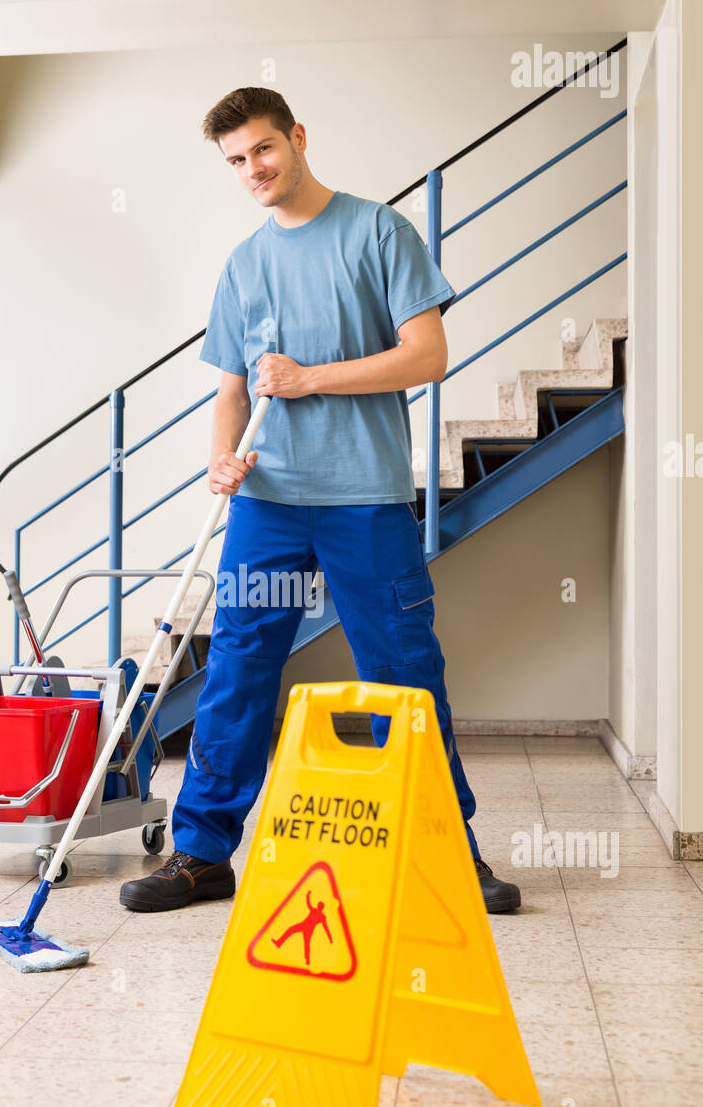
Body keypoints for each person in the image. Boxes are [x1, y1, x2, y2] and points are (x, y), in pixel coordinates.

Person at [120, 86, 521, 916]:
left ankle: (448, 853)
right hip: (267, 503)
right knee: (236, 669)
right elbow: (231, 390)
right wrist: (220, 463)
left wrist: (309, 380)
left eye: (262, 149)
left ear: (297, 137)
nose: (252, 170)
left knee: (402, 675)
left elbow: (427, 355)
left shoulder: (377, 232)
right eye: (235, 161)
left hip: (362, 497)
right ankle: (200, 857)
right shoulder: (244, 264)